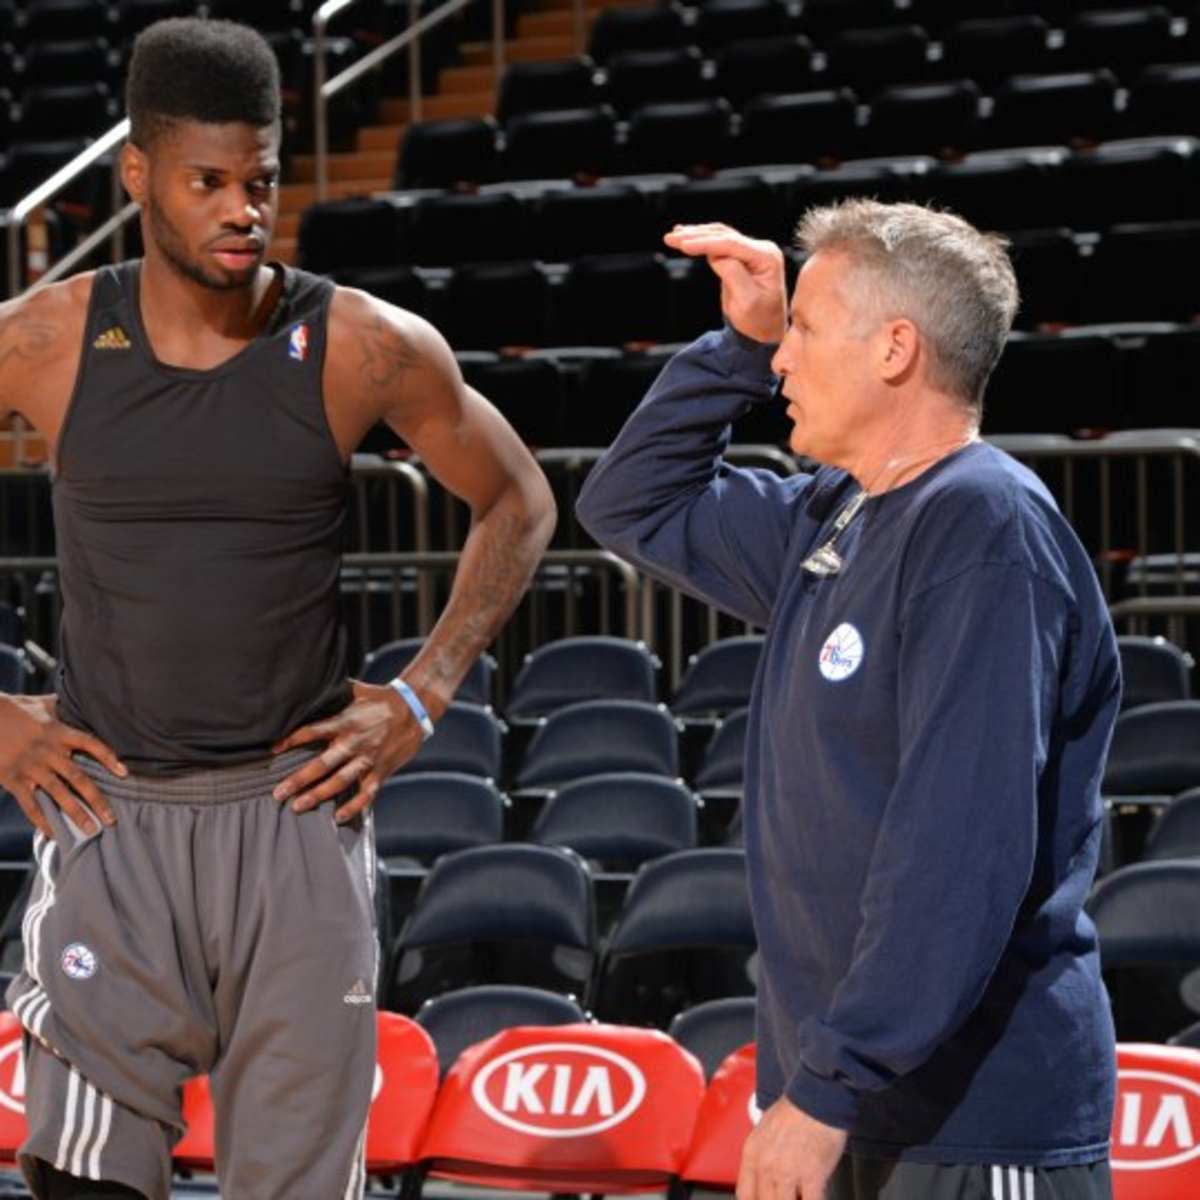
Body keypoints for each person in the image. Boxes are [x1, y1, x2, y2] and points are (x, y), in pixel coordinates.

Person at [0, 17, 554, 1200]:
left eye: (260, 181)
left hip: (294, 818)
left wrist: (428, 687)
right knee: (81, 1183)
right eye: (207, 183)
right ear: (137, 175)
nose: (243, 210)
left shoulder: (357, 345)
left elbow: (519, 500)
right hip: (110, 816)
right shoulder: (46, 341)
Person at [577, 203, 1120, 1200]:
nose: (781, 361)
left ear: (895, 349)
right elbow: (630, 501)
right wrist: (734, 346)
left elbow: (955, 849)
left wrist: (827, 1090)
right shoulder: (834, 515)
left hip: (971, 1117)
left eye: (803, 330)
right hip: (856, 1101)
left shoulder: (984, 530)